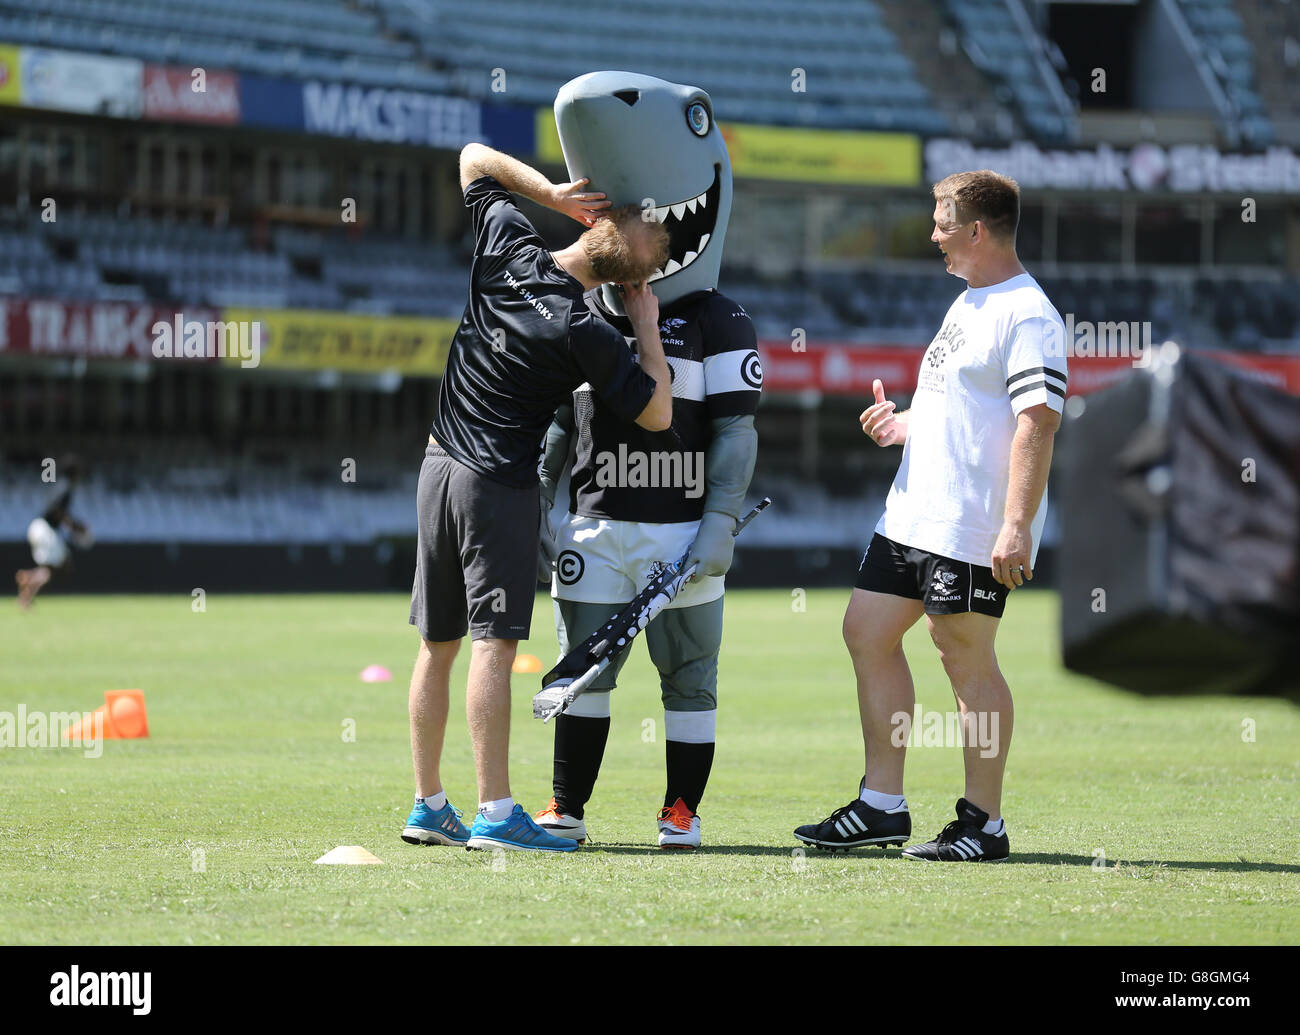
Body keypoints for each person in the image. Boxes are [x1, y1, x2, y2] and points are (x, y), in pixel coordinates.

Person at [400, 142, 673, 854]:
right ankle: (495, 814)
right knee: (494, 648)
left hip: (437, 467)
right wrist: (644, 326)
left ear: (592, 224)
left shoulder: (509, 244)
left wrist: (551, 193)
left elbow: (471, 158)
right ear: (628, 280)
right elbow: (657, 414)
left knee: (437, 645)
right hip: (498, 486)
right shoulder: (589, 331)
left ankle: (429, 803)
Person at [795, 170, 1067, 862]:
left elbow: (1037, 424)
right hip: (913, 515)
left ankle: (984, 823)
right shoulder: (968, 302)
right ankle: (882, 805)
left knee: (963, 656)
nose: (933, 234)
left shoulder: (1028, 313)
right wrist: (903, 427)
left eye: (942, 221)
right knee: (866, 630)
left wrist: (1015, 524)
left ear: (977, 230)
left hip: (972, 524)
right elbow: (967, 412)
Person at [531, 71, 761, 850]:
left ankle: (681, 811)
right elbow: (558, 422)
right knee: (582, 672)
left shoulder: (723, 320)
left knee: (690, 679)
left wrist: (721, 520)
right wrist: (538, 502)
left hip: (682, 534)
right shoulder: (584, 307)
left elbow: (735, 430)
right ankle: (566, 807)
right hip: (595, 529)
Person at [16, 455, 90, 611]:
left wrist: (71, 524)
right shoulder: (65, 489)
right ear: (74, 473)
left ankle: (27, 585)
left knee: (55, 567)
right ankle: (26, 588)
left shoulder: (58, 485)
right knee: (56, 568)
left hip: (38, 527)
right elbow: (56, 510)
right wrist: (73, 526)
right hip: (45, 529)